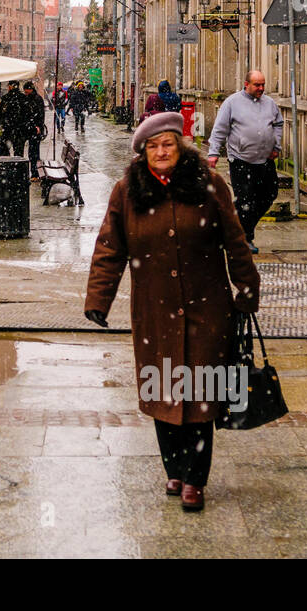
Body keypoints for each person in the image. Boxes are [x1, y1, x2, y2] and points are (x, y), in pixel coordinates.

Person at [84, 111, 260, 512]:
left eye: (168, 144)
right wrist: (98, 300)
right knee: (163, 393)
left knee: (202, 396)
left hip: (208, 309)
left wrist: (247, 290)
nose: (161, 152)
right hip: (154, 311)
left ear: (180, 147)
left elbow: (235, 240)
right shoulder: (127, 191)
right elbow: (109, 249)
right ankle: (175, 469)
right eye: (153, 146)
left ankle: (196, 480)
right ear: (143, 152)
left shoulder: (210, 185)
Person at [207, 70, 283, 254]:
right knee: (246, 199)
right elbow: (220, 129)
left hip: (265, 159)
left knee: (269, 195)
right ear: (246, 84)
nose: (261, 88)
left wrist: (276, 146)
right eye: (257, 85)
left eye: (263, 84)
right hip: (241, 159)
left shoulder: (269, 103)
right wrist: (213, 153)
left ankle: (236, 223)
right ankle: (245, 238)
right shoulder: (232, 103)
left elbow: (278, 124)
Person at [0, 79, 29, 157]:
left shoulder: (6, 98)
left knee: (3, 149)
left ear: (10, 87)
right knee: (18, 151)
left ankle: (7, 166)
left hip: (7, 128)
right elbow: (27, 114)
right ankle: (17, 167)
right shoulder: (23, 98)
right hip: (19, 129)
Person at [22, 81, 46, 179]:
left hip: (35, 130)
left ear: (30, 89)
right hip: (32, 129)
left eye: (26, 91)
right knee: (33, 152)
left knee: (34, 152)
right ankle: (34, 172)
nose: (25, 93)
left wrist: (38, 126)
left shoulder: (36, 99)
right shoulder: (32, 98)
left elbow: (39, 115)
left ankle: (35, 173)